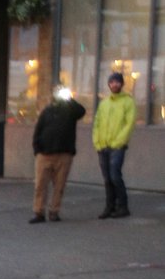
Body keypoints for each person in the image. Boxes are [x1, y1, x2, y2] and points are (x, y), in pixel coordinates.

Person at [28, 86, 86, 224]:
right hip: (45, 154)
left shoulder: (71, 111)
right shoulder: (47, 111)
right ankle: (39, 212)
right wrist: (37, 149)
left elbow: (81, 111)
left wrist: (70, 99)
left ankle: (54, 211)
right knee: (40, 185)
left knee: (59, 185)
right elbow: (38, 130)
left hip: (64, 154)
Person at [92, 72, 136, 219]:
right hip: (103, 146)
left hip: (117, 146)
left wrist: (119, 142)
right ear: (109, 84)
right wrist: (97, 142)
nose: (114, 84)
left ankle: (123, 207)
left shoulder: (128, 102)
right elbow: (97, 124)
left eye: (117, 82)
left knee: (115, 176)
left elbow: (129, 124)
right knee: (107, 179)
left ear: (122, 84)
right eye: (112, 82)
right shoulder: (104, 103)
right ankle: (109, 207)